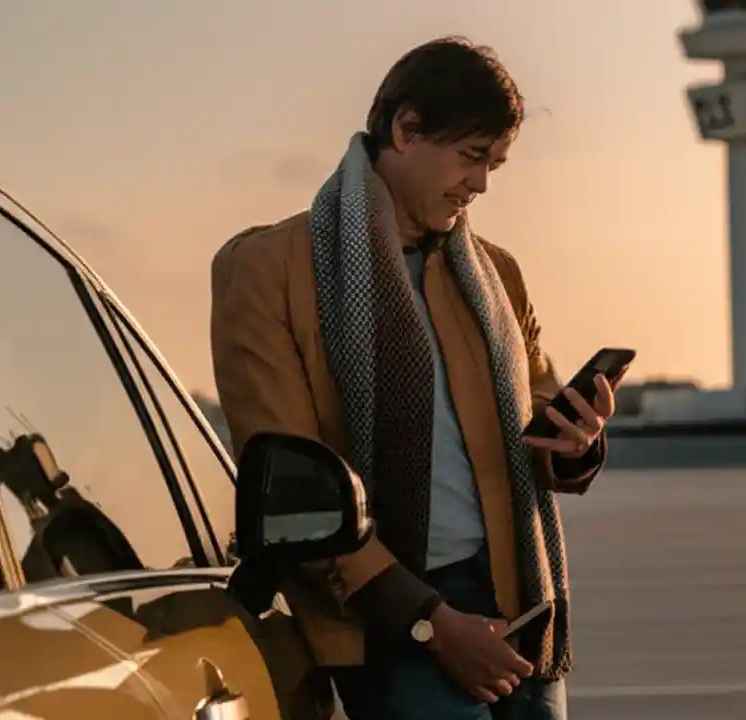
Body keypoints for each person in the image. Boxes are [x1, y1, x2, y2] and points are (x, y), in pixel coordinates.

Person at [210, 36, 611, 720]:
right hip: (386, 617)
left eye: (495, 163)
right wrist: (428, 621)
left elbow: (536, 399)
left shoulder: (494, 274)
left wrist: (576, 442)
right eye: (472, 156)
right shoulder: (269, 269)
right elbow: (294, 492)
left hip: (518, 605)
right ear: (406, 128)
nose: (482, 183)